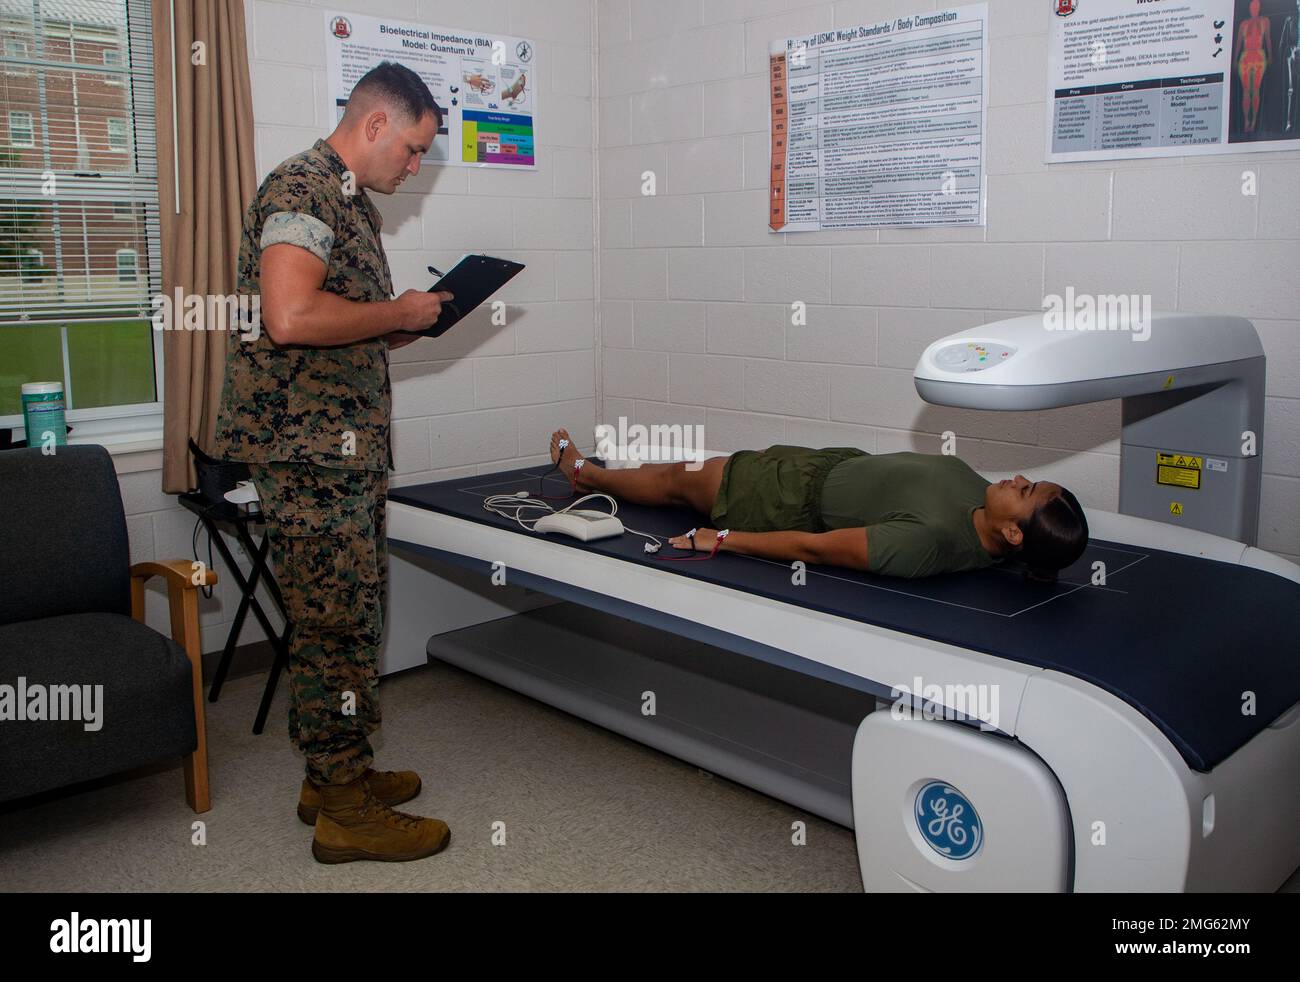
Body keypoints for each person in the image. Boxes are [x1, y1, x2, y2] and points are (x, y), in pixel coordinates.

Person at [212, 61, 452, 864]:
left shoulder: (345, 201)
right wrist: (398, 310)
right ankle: (346, 809)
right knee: (339, 625)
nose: (414, 168)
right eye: (414, 150)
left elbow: (333, 319)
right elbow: (288, 316)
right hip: (309, 455)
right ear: (376, 123)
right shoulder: (304, 187)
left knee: (345, 618)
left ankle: (331, 775)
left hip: (336, 453)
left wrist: (403, 324)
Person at [547, 429, 1089, 580]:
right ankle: (594, 473)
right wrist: (1043, 565)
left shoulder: (931, 541)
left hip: (784, 501)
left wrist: (723, 539)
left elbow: (820, 548)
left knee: (677, 478)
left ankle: (585, 474)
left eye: (1025, 491)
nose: (1017, 479)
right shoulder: (981, 500)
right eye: (1028, 480)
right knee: (688, 469)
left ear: (1014, 533)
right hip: (816, 466)